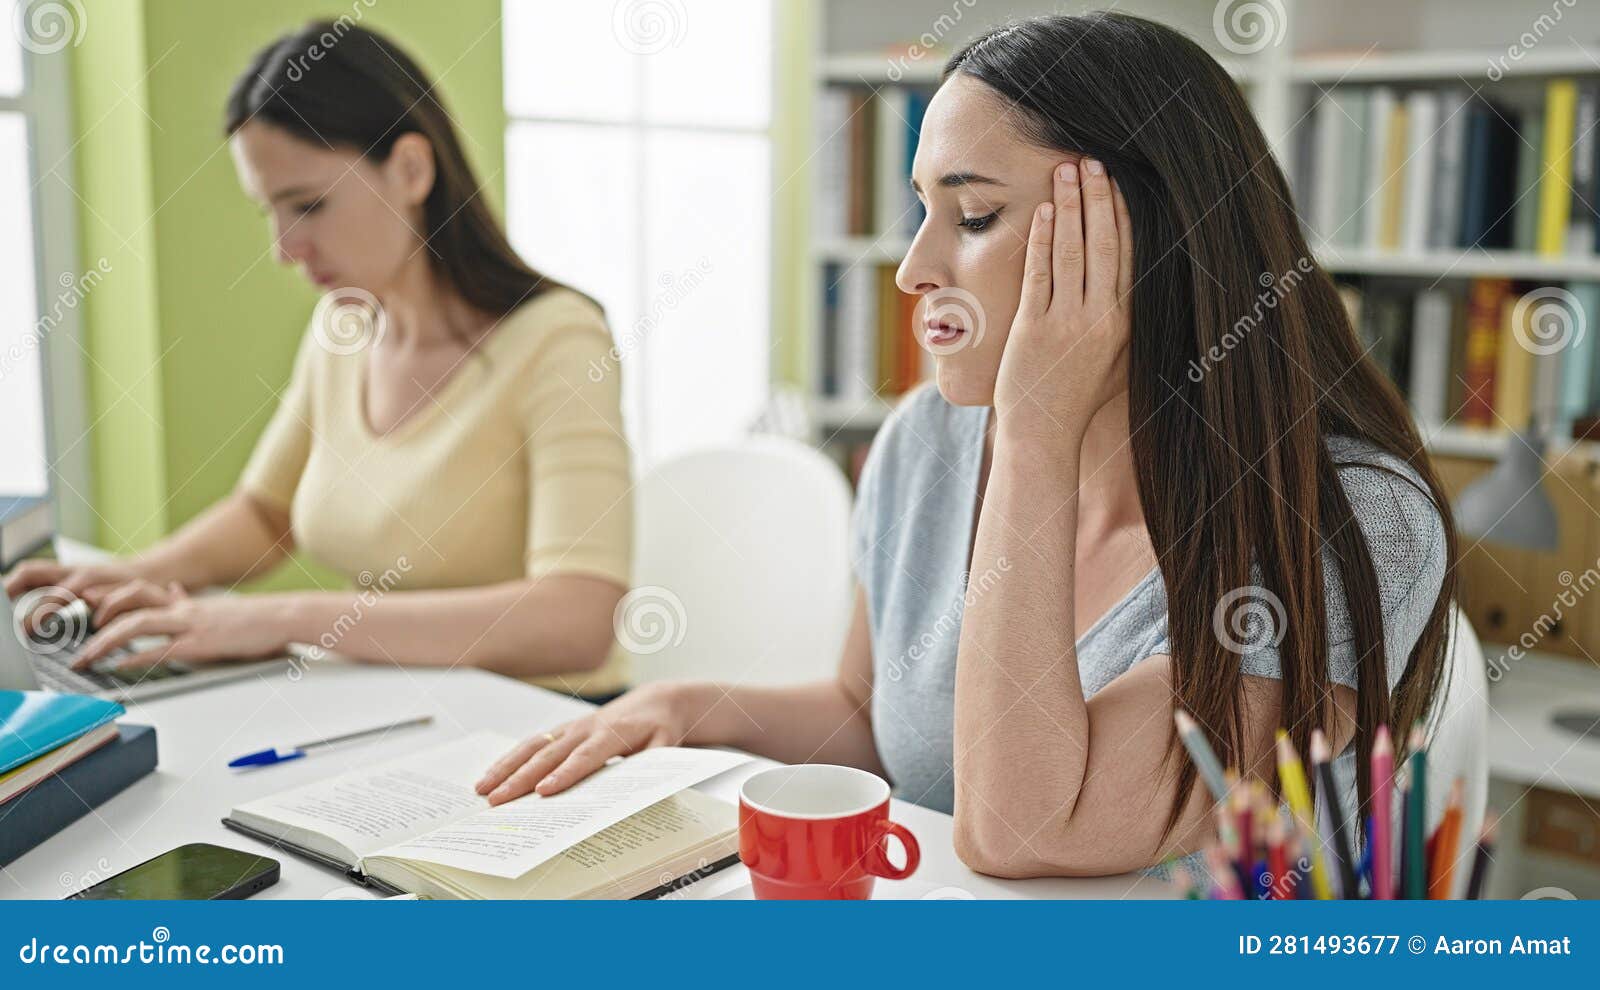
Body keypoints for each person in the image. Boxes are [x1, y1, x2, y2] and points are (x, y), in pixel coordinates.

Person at [475, 11, 1458, 878]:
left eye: (974, 215)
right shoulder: (924, 443)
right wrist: (687, 705)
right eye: (921, 211)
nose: (912, 268)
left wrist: (1035, 437)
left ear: (1146, 237)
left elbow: (1026, 829)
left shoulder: (1351, 518)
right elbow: (876, 722)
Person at [5, 22, 634, 701]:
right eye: (270, 213)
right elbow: (266, 516)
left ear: (412, 171)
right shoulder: (346, 325)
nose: (284, 250)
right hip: (399, 709)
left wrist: (283, 619)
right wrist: (141, 577)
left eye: (309, 206)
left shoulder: (559, 342)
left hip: (549, 729)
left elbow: (577, 618)